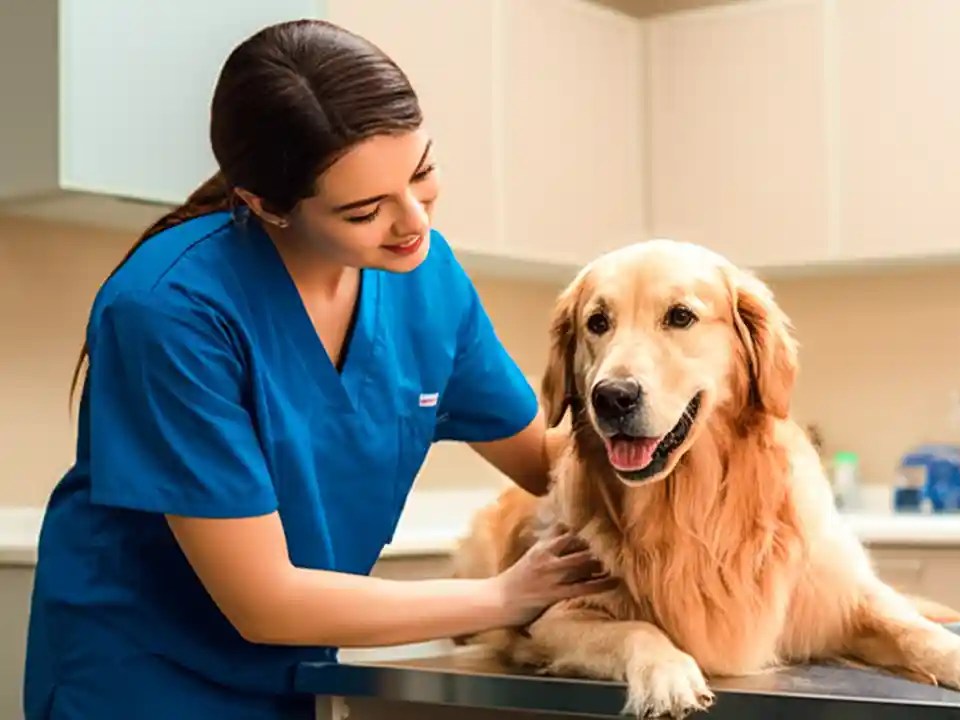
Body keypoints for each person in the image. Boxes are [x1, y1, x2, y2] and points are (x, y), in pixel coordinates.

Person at [23, 18, 613, 720]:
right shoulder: (169, 311)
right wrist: (504, 596)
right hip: (142, 679)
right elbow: (264, 601)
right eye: (365, 210)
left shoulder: (428, 281)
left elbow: (548, 462)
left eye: (421, 173)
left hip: (295, 672)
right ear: (266, 204)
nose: (412, 222)